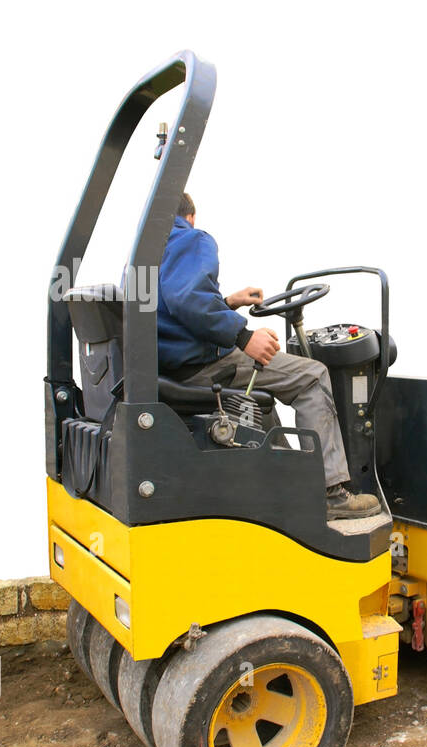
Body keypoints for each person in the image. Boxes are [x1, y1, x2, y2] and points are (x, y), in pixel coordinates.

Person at [156, 193, 380, 520]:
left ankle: (289, 482)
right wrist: (243, 336)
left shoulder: (145, 251)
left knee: (267, 394)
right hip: (199, 366)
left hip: (172, 364)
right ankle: (330, 492)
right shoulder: (191, 238)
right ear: (190, 216)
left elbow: (171, 307)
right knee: (313, 375)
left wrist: (228, 302)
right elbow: (189, 301)